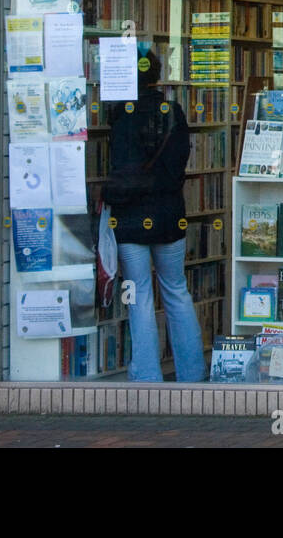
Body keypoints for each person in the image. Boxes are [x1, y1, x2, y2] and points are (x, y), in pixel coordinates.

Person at [101, 49, 205, 382]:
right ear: (157, 75)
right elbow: (179, 162)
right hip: (169, 212)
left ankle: (145, 377)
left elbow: (120, 164)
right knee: (176, 289)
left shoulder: (119, 114)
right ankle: (192, 372)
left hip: (130, 216)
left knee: (139, 294)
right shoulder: (172, 112)